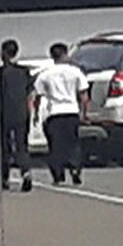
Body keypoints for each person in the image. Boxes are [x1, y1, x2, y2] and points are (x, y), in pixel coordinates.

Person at [32, 43, 85, 187]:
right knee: (73, 143)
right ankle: (75, 169)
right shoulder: (75, 72)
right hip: (71, 110)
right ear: (65, 54)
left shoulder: (45, 74)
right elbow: (83, 94)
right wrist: (83, 112)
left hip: (54, 112)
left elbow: (37, 96)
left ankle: (58, 174)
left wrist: (36, 114)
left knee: (55, 145)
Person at [0, 39, 34, 193]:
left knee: (4, 147)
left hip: (3, 113)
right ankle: (26, 172)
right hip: (21, 113)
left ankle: (4, 178)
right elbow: (30, 95)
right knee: (21, 145)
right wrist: (30, 112)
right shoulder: (24, 72)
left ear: (4, 53)